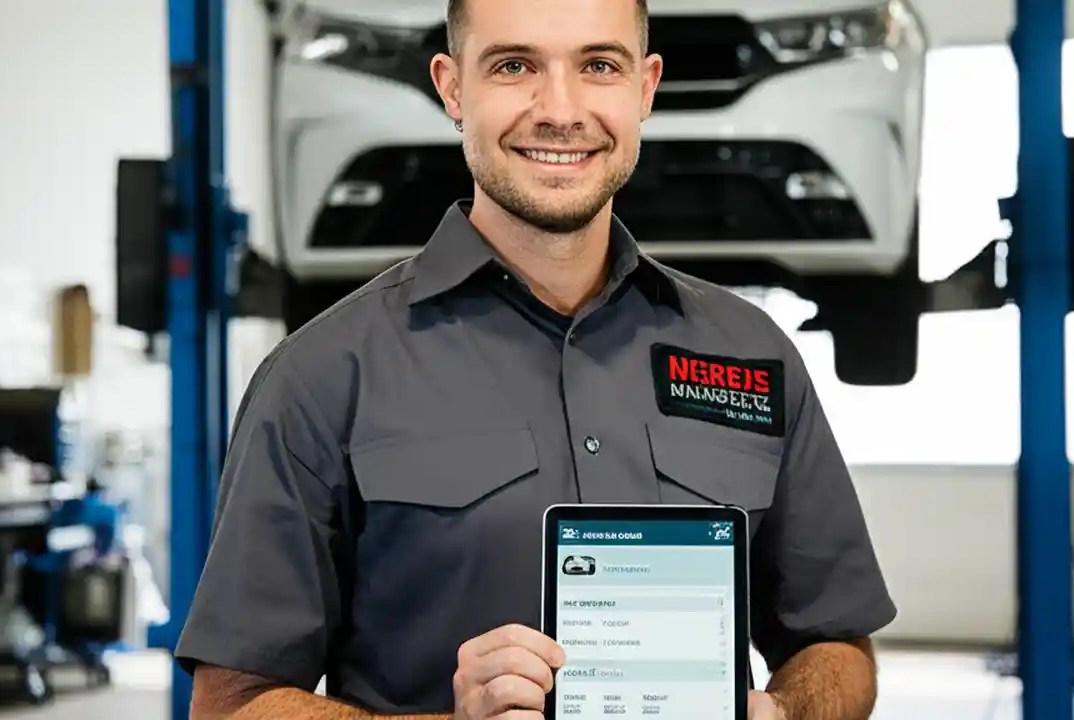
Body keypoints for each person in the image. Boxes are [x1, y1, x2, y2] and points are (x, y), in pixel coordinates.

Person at [177, 0, 897, 717]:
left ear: (644, 88)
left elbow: (836, 647)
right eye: (515, 65)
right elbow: (232, 704)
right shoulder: (323, 375)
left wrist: (784, 713)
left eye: (599, 66)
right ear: (453, 87)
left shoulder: (750, 355)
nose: (560, 108)